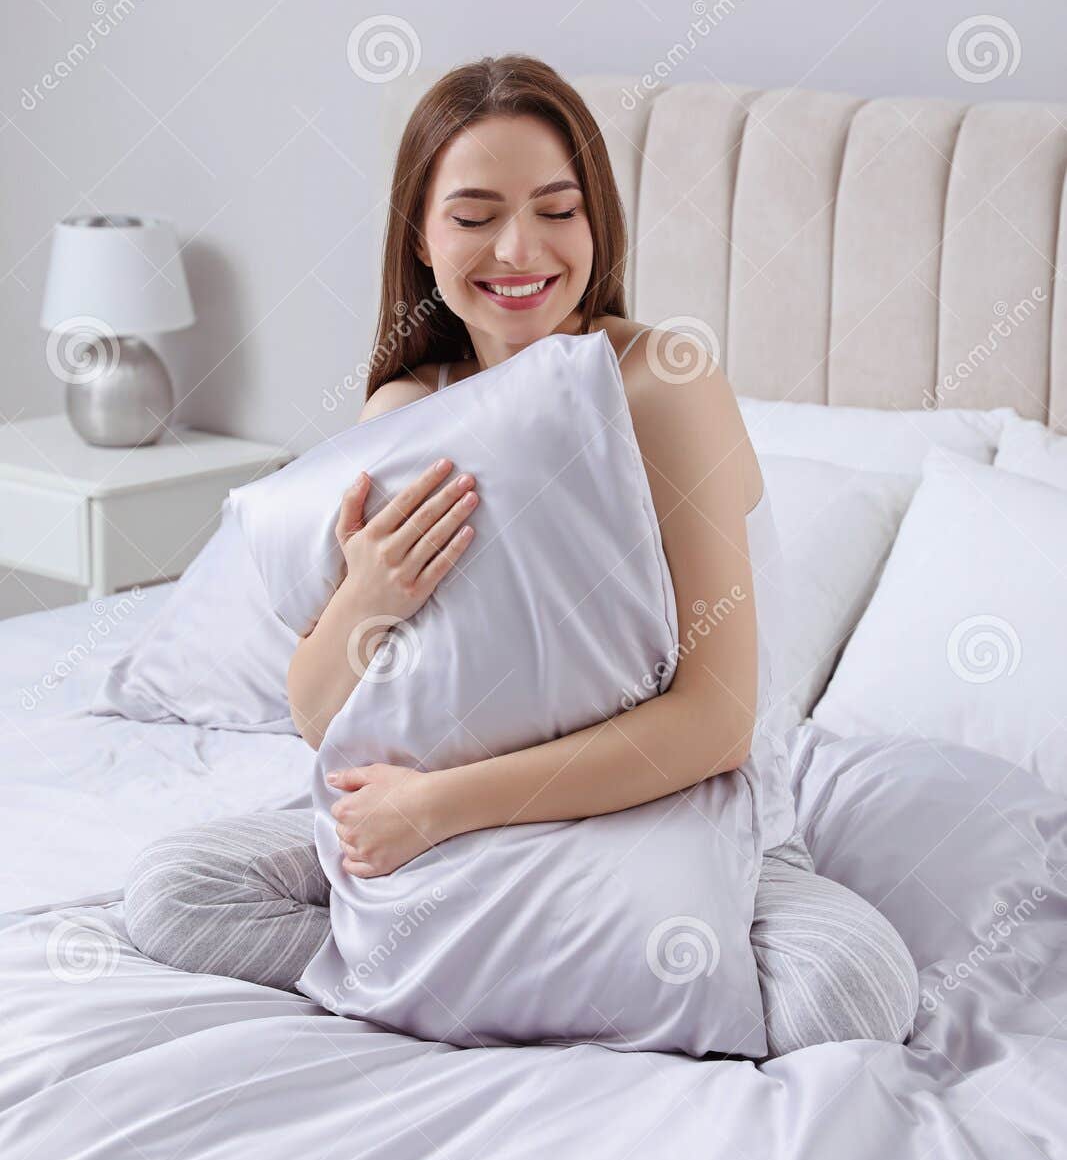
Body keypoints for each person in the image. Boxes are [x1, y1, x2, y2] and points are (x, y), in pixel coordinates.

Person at [125, 55, 919, 1058]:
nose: (519, 248)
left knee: (845, 994)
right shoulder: (408, 411)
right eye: (472, 214)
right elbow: (321, 713)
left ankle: (479, 971)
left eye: (556, 208)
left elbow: (715, 724)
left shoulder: (661, 384)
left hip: (661, 810)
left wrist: (433, 807)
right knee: (173, 893)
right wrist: (367, 596)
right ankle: (524, 970)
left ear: (597, 225)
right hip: (450, 843)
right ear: (420, 234)